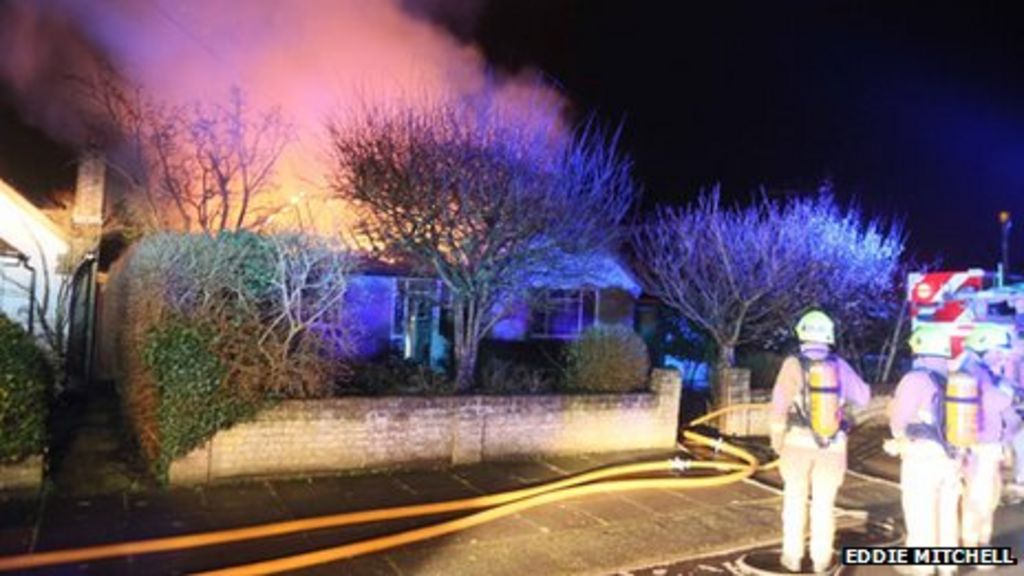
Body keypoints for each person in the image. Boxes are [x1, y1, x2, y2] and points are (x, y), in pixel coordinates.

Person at [770, 310, 871, 573]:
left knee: (794, 501)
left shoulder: (792, 364)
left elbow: (778, 407)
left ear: (802, 333)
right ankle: (821, 561)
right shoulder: (840, 365)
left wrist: (777, 441)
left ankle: (792, 558)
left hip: (796, 445)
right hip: (832, 446)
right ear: (829, 335)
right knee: (824, 505)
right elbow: (865, 397)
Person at [884, 326, 961, 576]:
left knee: (920, 511)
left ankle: (923, 566)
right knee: (948, 512)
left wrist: (897, 439)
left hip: (922, 457)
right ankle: (948, 566)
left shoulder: (915, 379)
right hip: (952, 457)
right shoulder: (955, 380)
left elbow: (898, 424)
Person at [953, 325, 1021, 559]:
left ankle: (980, 543)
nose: (1001, 356)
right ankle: (974, 548)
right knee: (979, 498)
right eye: (997, 351)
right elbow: (997, 403)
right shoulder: (977, 372)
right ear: (983, 347)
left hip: (988, 448)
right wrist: (1009, 393)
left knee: (987, 496)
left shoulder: (981, 370)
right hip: (981, 448)